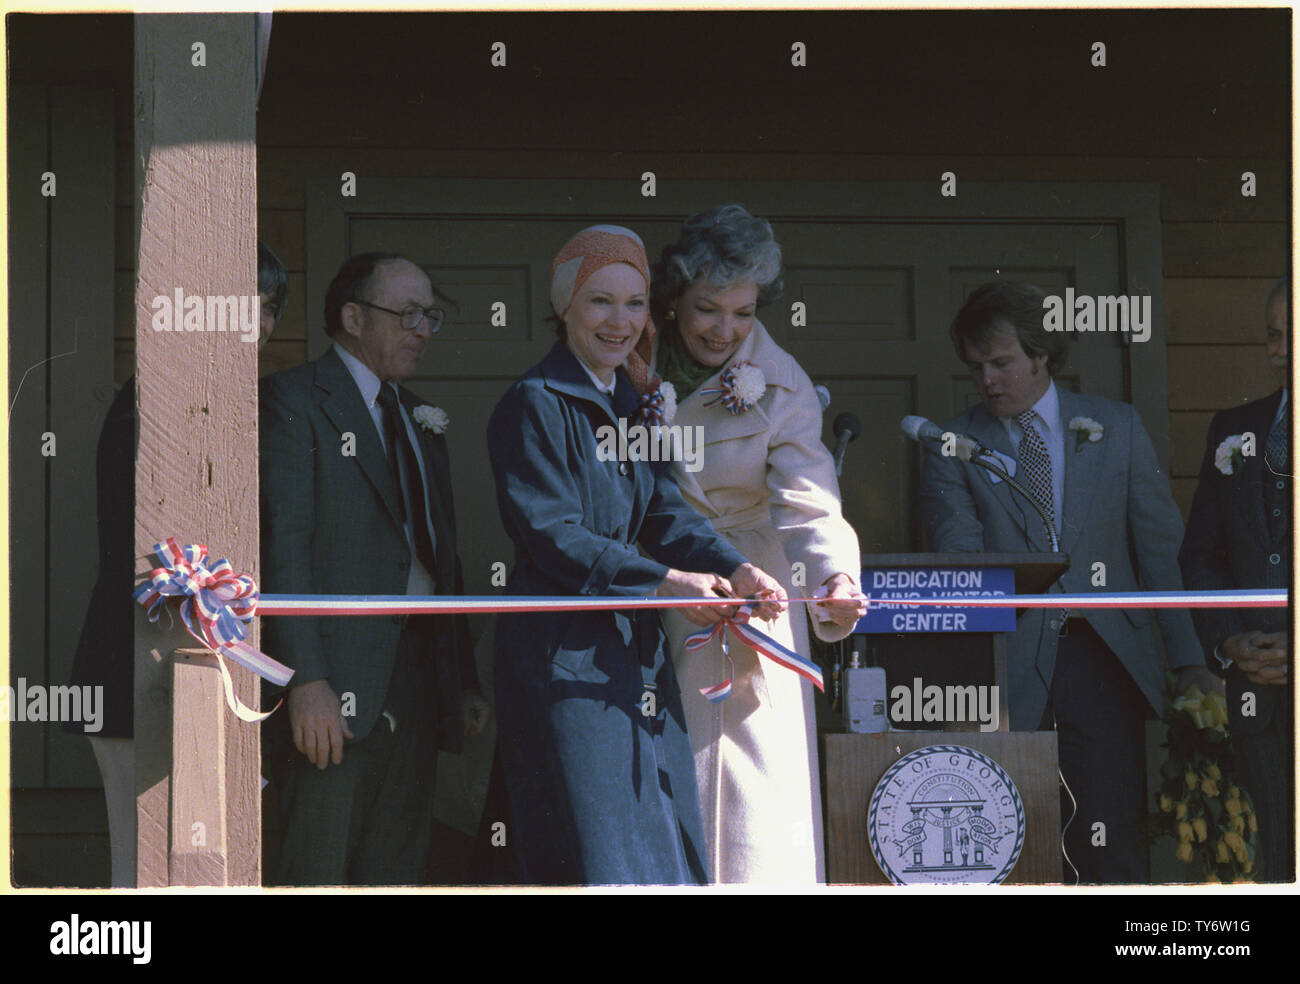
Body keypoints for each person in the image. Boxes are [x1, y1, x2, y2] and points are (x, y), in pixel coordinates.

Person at [487, 224, 787, 885]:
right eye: (600, 301)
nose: (619, 321)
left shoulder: (629, 406)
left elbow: (664, 512)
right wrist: (663, 580)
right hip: (564, 659)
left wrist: (729, 563)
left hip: (632, 656)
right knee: (601, 852)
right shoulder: (533, 405)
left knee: (659, 841)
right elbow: (554, 535)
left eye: (634, 303)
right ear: (565, 305)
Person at [919, 280, 1219, 884]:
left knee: (1111, 834)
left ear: (1041, 354)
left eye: (1001, 363)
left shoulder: (1117, 426)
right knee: (1009, 835)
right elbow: (961, 560)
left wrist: (1189, 660)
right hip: (1006, 657)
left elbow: (1161, 551)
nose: (988, 380)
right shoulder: (953, 444)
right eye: (977, 368)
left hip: (1106, 656)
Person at [648, 204, 866, 884]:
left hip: (755, 585)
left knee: (751, 782)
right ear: (677, 297)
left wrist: (833, 578)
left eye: (743, 313)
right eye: (709, 309)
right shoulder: (632, 352)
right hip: (659, 579)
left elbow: (809, 494)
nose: (725, 330)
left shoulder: (783, 378)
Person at [259, 252, 488, 885]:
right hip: (334, 684)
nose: (422, 329)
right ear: (352, 317)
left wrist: (460, 677)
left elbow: (443, 556)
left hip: (418, 677)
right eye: (407, 313)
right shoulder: (294, 400)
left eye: (430, 316)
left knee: (397, 867)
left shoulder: (419, 416)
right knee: (319, 863)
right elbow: (285, 547)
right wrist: (305, 682)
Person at [68, 242, 288, 888]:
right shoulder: (162, 408)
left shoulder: (214, 404)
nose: (261, 321)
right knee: (140, 877)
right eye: (246, 302)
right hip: (136, 673)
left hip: (185, 678)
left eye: (270, 306)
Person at [1179, 278, 1293, 882]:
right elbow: (1203, 555)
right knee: (1279, 857)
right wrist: (1229, 642)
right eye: (1273, 336)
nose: (1279, 351)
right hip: (1260, 693)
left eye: (1292, 335)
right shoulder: (1233, 429)